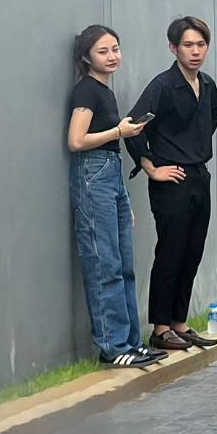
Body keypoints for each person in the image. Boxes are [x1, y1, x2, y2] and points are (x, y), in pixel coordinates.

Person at [125, 15, 217, 354]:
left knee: (192, 251)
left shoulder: (207, 84)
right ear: (173, 48)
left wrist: (193, 149)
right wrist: (152, 167)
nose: (195, 51)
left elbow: (210, 118)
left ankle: (180, 322)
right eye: (188, 45)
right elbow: (133, 126)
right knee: (170, 251)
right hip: (173, 181)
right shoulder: (163, 85)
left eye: (201, 45)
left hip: (199, 175)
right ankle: (160, 327)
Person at [66, 24, 162, 369]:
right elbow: (76, 141)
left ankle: (132, 342)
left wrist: (123, 195)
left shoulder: (105, 90)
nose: (112, 56)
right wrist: (119, 131)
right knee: (104, 261)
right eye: (103, 51)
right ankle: (112, 346)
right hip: (93, 172)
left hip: (110, 173)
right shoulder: (86, 92)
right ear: (86, 57)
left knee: (124, 263)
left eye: (115, 49)